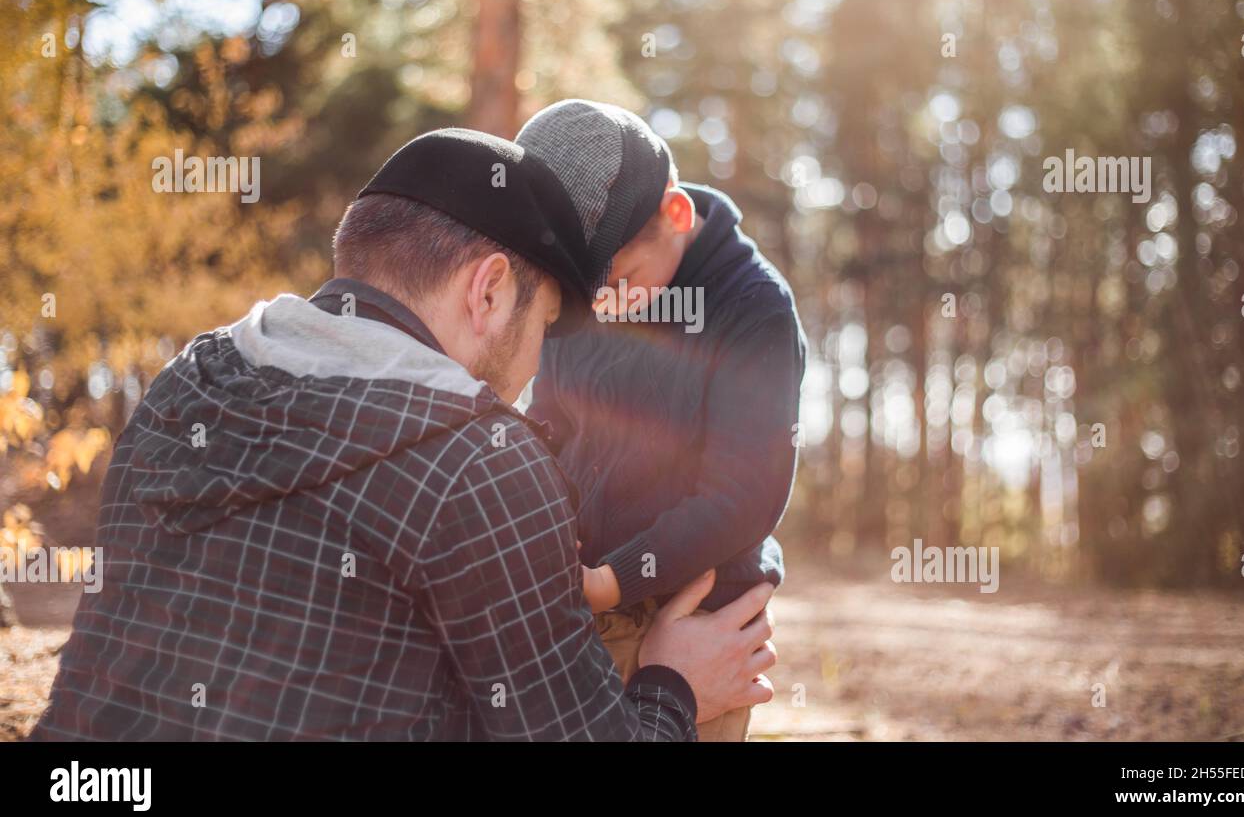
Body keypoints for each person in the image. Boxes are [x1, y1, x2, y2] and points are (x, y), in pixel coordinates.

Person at [31, 128, 775, 741]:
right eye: (545, 325)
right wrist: (671, 683)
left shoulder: (184, 386)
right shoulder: (482, 465)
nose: (537, 367)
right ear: (487, 291)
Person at [518, 101, 806, 741]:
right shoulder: (589, 296)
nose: (605, 306)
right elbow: (550, 424)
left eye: (621, 281)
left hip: (685, 611)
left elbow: (744, 493)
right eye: (588, 293)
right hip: (581, 606)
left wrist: (610, 582)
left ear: (677, 215)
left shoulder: (753, 310)